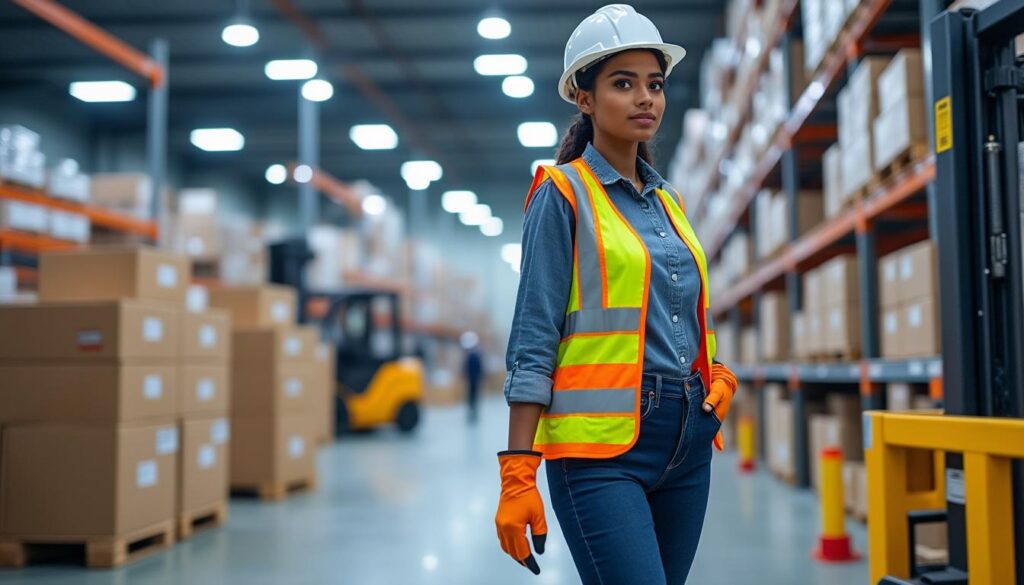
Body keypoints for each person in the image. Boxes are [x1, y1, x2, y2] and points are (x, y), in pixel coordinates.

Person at [493, 5, 739, 584]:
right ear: (584, 97)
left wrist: (717, 370)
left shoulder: (668, 203)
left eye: (654, 84)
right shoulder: (562, 194)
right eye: (623, 83)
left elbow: (681, 311)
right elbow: (533, 336)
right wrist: (518, 471)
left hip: (687, 439)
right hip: (600, 454)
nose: (645, 98)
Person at [461, 331, 484, 423]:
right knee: (472, 397)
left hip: (473, 380)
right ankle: (472, 413)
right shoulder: (475, 355)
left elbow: (467, 368)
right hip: (473, 380)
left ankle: (473, 413)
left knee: (472, 397)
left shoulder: (472, 356)